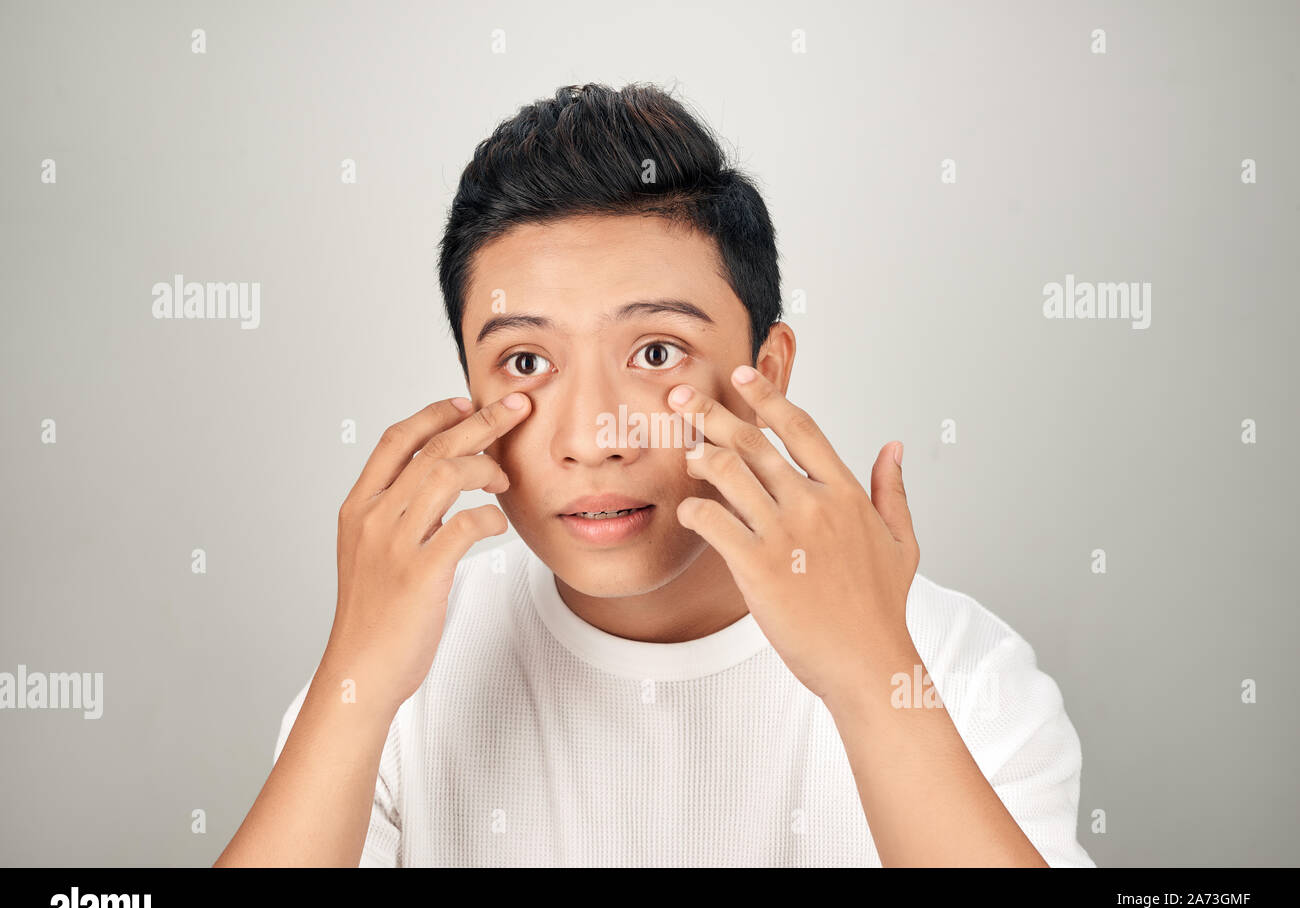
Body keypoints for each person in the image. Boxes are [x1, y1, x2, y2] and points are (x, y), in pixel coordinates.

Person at [215, 82, 1094, 867]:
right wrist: (354, 680)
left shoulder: (955, 668)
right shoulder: (407, 665)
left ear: (767, 372)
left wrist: (872, 675)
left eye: (656, 350)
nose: (594, 437)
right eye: (524, 361)